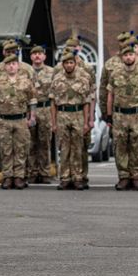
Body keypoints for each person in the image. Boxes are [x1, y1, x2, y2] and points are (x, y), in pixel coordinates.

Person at [106, 44, 138, 191]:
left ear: (135, 56)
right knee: (120, 147)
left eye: (131, 55)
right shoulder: (115, 74)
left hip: (137, 115)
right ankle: (124, 177)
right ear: (122, 57)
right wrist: (109, 116)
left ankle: (137, 177)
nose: (128, 57)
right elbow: (110, 96)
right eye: (126, 55)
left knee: (137, 146)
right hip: (120, 115)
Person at [0, 53, 36, 189]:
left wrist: (32, 117)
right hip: (4, 120)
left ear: (18, 66)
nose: (11, 66)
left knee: (21, 149)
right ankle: (8, 176)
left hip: (21, 120)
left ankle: (19, 177)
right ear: (5, 66)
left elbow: (32, 101)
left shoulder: (26, 82)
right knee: (6, 150)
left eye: (14, 64)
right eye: (9, 64)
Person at [50, 52, 93, 190]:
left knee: (77, 148)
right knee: (64, 149)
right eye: (66, 63)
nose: (69, 65)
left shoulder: (83, 80)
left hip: (77, 114)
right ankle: (65, 178)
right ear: (62, 65)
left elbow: (86, 102)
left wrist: (86, 122)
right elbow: (53, 103)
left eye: (71, 63)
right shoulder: (57, 79)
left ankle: (77, 177)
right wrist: (53, 122)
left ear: (75, 64)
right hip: (62, 114)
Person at [28, 45, 55, 184]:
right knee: (30, 142)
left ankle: (44, 172)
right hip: (30, 110)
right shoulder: (25, 71)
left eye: (40, 53)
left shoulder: (52, 72)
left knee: (45, 142)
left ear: (44, 56)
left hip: (45, 109)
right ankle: (32, 172)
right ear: (31, 56)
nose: (37, 56)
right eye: (34, 54)